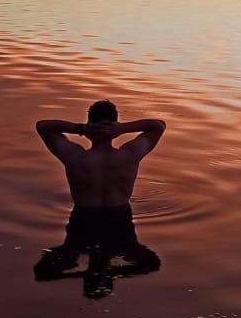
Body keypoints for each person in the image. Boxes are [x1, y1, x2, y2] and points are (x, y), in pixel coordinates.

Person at [34, 101, 166, 296]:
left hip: (82, 224)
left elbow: (43, 126)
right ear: (115, 123)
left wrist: (79, 129)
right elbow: (158, 125)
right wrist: (124, 129)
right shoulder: (129, 155)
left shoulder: (74, 156)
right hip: (121, 224)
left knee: (69, 252)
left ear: (89, 123)